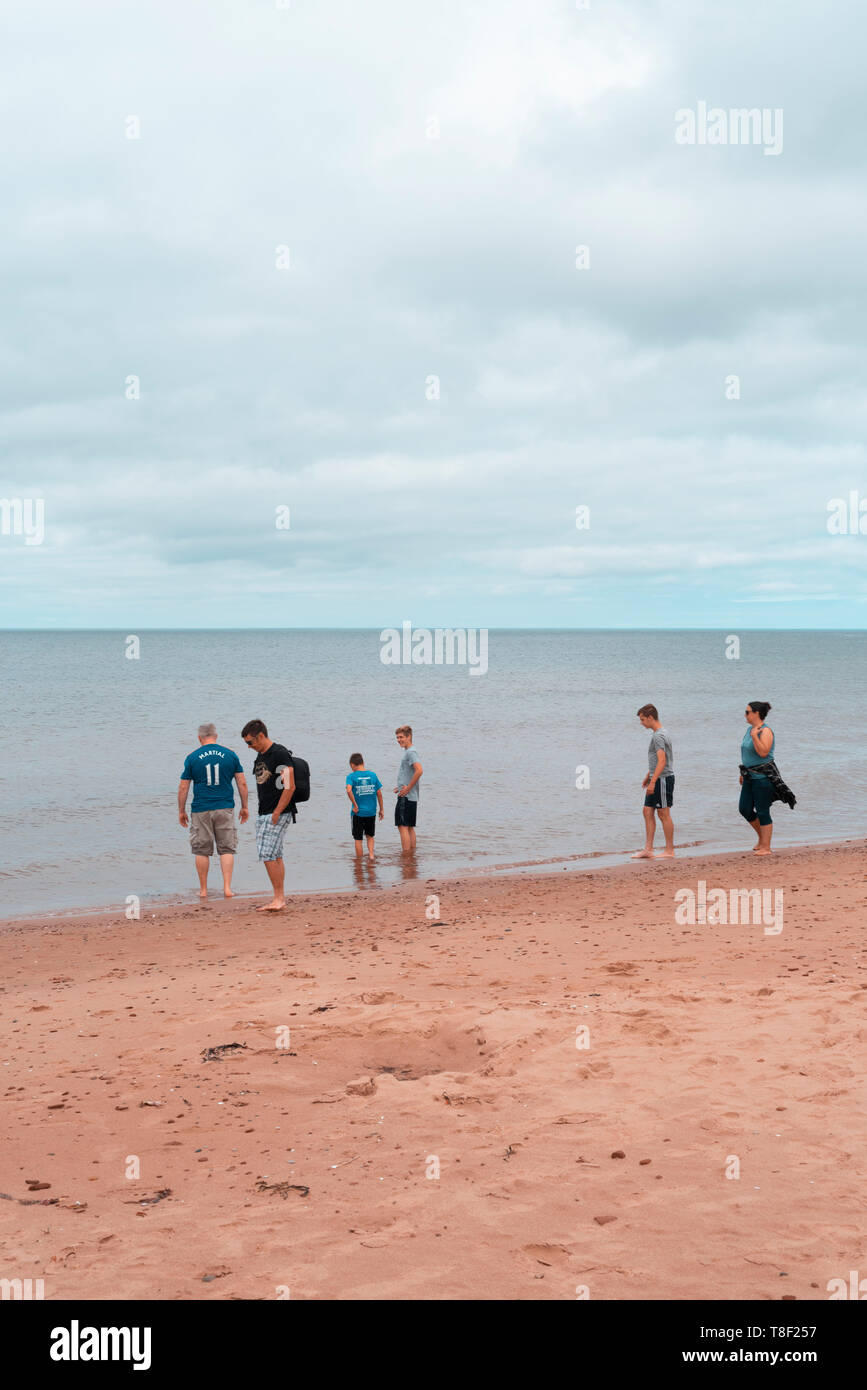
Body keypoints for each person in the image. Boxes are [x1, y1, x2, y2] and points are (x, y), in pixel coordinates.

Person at [178, 723, 248, 899]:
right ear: (216, 736)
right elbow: (242, 783)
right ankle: (227, 888)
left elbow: (183, 788)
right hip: (225, 807)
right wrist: (245, 806)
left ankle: (203, 890)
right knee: (226, 849)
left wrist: (181, 810)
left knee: (202, 850)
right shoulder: (230, 755)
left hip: (201, 808)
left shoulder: (192, 757)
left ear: (199, 738)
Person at [241, 719, 296, 911]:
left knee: (267, 854)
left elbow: (290, 785)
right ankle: (279, 897)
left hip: (276, 811)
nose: (249, 747)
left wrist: (277, 811)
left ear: (261, 736)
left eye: (250, 742)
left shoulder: (278, 753)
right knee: (275, 855)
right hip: (266, 811)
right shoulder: (261, 755)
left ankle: (279, 898)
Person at [632, 704, 675, 860]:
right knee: (647, 811)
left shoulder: (658, 736)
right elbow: (659, 759)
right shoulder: (660, 733)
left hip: (663, 779)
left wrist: (653, 782)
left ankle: (669, 850)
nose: (641, 723)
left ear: (650, 718)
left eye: (643, 719)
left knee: (663, 813)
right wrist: (648, 775)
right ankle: (648, 849)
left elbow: (663, 761)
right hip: (657, 777)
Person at [739, 701, 775, 855]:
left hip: (763, 777)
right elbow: (746, 753)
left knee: (762, 811)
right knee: (745, 809)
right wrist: (742, 773)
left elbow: (763, 753)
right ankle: (762, 839)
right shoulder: (749, 729)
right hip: (749, 776)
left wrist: (755, 737)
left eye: (747, 712)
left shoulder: (765, 731)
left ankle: (766, 847)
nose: (745, 715)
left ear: (756, 713)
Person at [345, 753, 384, 862]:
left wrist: (355, 805)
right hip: (371, 812)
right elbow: (379, 793)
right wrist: (381, 809)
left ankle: (359, 861)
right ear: (363, 763)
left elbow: (348, 790)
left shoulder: (351, 776)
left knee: (358, 839)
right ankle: (371, 856)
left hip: (358, 813)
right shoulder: (372, 775)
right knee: (370, 836)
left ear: (352, 765)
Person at [394, 725, 423, 851]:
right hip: (410, 795)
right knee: (409, 826)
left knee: (403, 826)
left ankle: (406, 857)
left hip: (406, 796)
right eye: (397, 737)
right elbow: (411, 773)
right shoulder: (410, 751)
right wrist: (401, 786)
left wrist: (408, 788)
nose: (399, 740)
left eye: (401, 737)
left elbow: (419, 770)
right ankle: (411, 856)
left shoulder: (411, 752)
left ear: (408, 736)